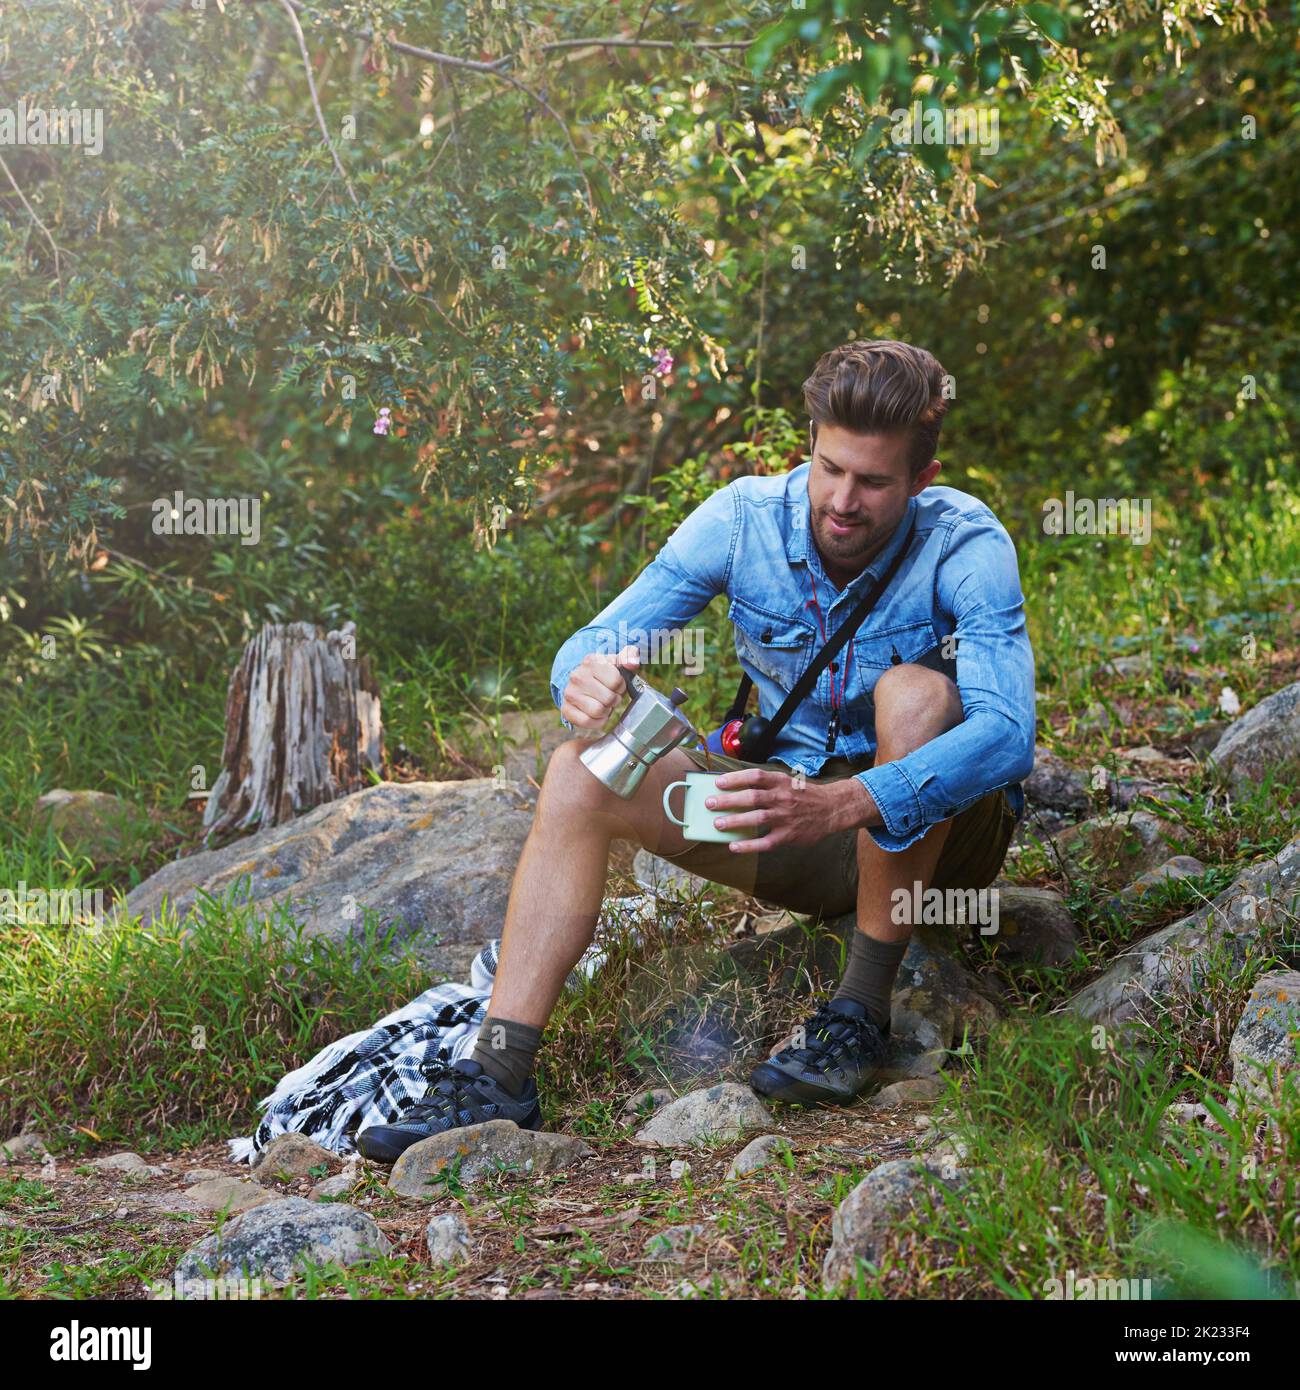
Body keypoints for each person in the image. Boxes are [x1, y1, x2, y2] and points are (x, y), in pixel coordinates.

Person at [356, 338, 1036, 1160]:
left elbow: (1006, 734)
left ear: (921, 481)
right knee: (577, 770)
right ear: (809, 448)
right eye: (829, 469)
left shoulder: (967, 540)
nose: (843, 500)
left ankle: (857, 1016)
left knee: (916, 694)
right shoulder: (742, 518)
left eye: (874, 481)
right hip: (792, 825)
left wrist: (852, 799)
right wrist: (585, 679)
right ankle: (499, 1074)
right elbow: (596, 639)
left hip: (940, 842)